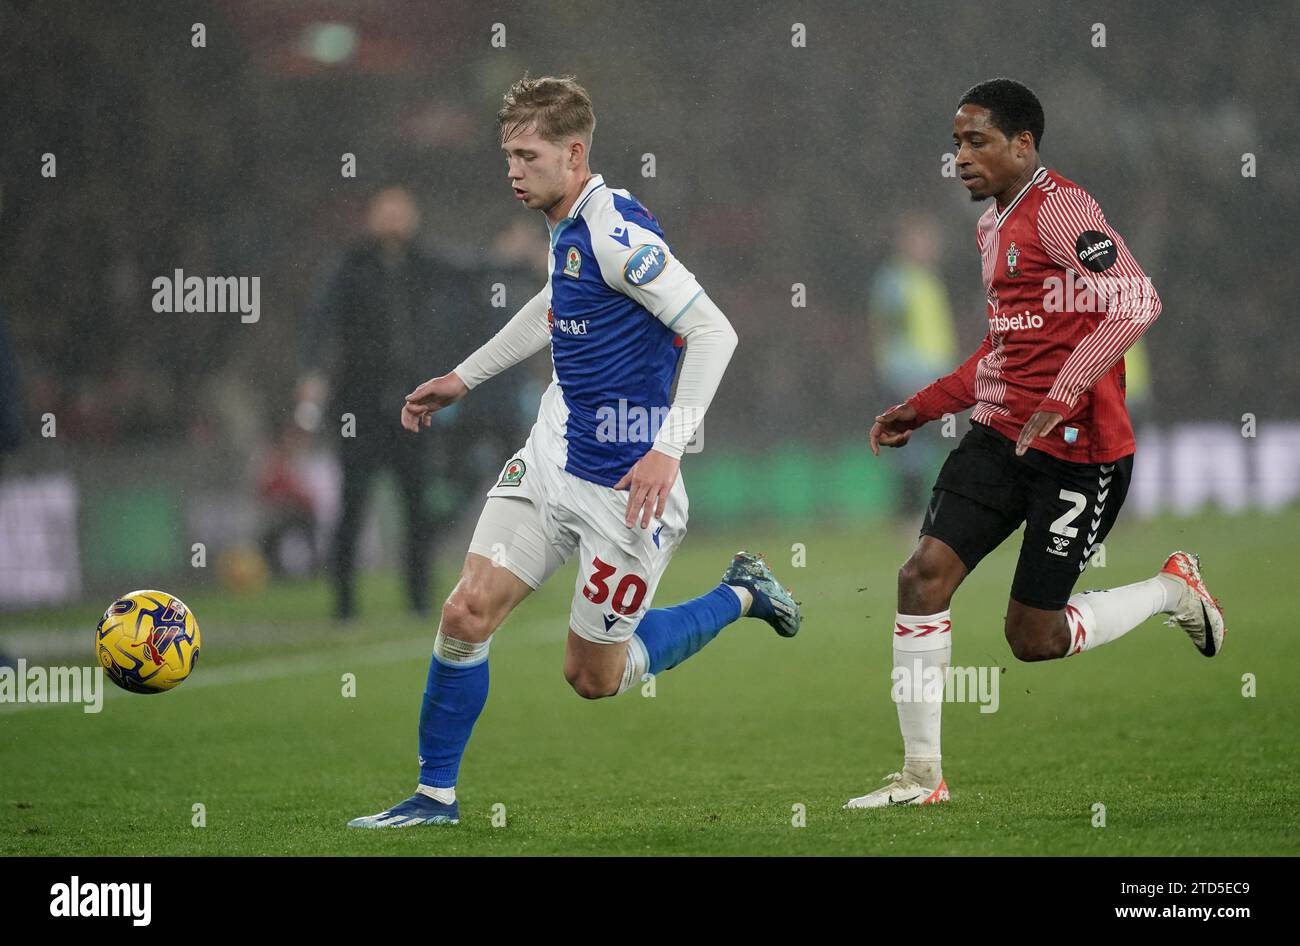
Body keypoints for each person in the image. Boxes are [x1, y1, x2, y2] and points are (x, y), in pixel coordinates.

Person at [348, 75, 801, 828]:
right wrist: (464, 377)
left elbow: (715, 332)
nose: (512, 171)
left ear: (574, 153)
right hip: (554, 453)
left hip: (628, 490)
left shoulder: (619, 237)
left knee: (592, 677)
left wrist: (668, 449)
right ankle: (434, 798)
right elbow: (555, 305)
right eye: (508, 156)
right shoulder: (567, 228)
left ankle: (742, 594)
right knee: (465, 613)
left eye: (527, 155)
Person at [846, 78, 1225, 809]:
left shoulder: (1062, 210)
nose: (960, 156)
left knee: (1034, 637)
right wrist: (921, 408)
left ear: (1023, 144)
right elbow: (1002, 351)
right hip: (998, 437)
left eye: (977, 140)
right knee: (920, 577)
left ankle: (1171, 589)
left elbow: (1137, 300)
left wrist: (1063, 392)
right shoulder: (992, 228)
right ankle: (922, 778)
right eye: (955, 142)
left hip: (1081, 454)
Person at [299, 187, 463, 619]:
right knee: (352, 504)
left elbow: (469, 269)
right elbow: (320, 320)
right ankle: (344, 605)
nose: (394, 220)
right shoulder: (350, 266)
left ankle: (420, 601)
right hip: (359, 406)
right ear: (371, 218)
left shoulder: (423, 265)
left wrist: (517, 261)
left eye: (401, 212)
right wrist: (312, 373)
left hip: (415, 404)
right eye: (386, 212)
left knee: (417, 506)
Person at [867, 212, 958, 522]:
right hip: (910, 379)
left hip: (933, 381)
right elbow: (886, 331)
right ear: (905, 242)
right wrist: (897, 375)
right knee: (911, 449)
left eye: (932, 240)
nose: (930, 246)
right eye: (923, 240)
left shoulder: (928, 279)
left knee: (924, 448)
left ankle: (919, 517)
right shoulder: (895, 282)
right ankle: (907, 519)